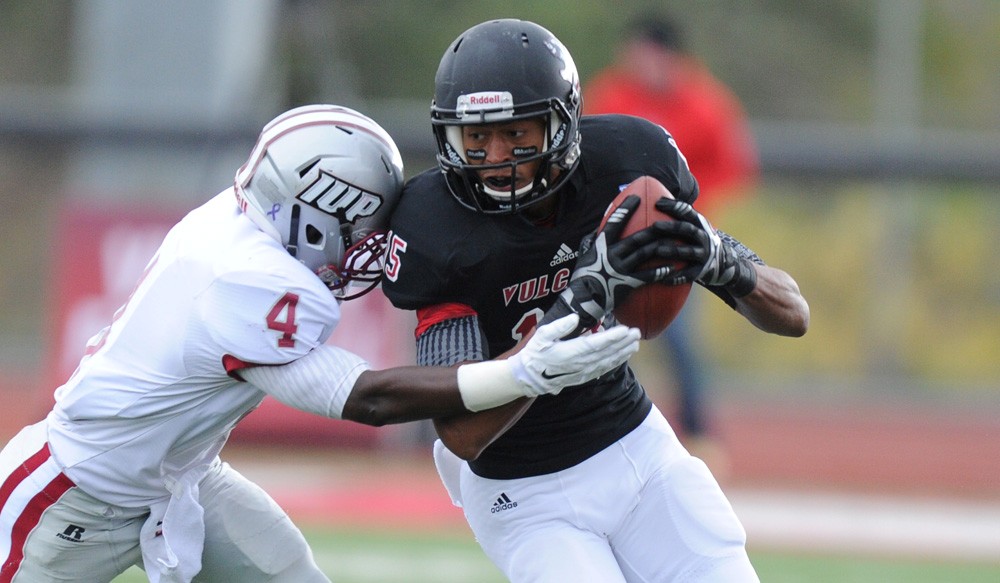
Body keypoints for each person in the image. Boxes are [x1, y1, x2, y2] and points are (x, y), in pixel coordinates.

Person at [0, 104, 642, 583]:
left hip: (181, 479)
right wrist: (521, 373)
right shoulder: (250, 278)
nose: (369, 245)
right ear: (312, 208)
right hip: (70, 494)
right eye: (362, 224)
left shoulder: (241, 223)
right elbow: (364, 399)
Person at [381, 19, 809, 582]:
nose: (496, 157)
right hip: (522, 490)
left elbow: (793, 313)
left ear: (561, 125)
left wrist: (717, 258)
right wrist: (577, 307)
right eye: (476, 138)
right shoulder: (438, 226)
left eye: (518, 134)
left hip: (633, 447)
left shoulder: (625, 166)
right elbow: (461, 432)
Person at [585, 13, 761, 468]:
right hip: (612, 237)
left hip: (677, 240)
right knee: (594, 328)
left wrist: (693, 209)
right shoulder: (613, 94)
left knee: (676, 336)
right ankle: (589, 429)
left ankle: (699, 432)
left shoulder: (704, 102)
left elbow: (733, 164)